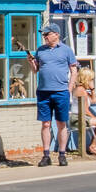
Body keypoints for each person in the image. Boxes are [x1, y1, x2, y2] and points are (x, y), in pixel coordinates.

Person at [29, 22, 78, 166]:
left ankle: (62, 154)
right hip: (43, 92)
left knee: (61, 123)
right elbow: (35, 70)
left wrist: (69, 89)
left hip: (61, 91)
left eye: (47, 34)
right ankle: (46, 154)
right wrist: (31, 62)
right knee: (45, 124)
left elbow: (74, 71)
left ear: (56, 35)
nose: (44, 37)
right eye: (43, 34)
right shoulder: (41, 50)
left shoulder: (66, 50)